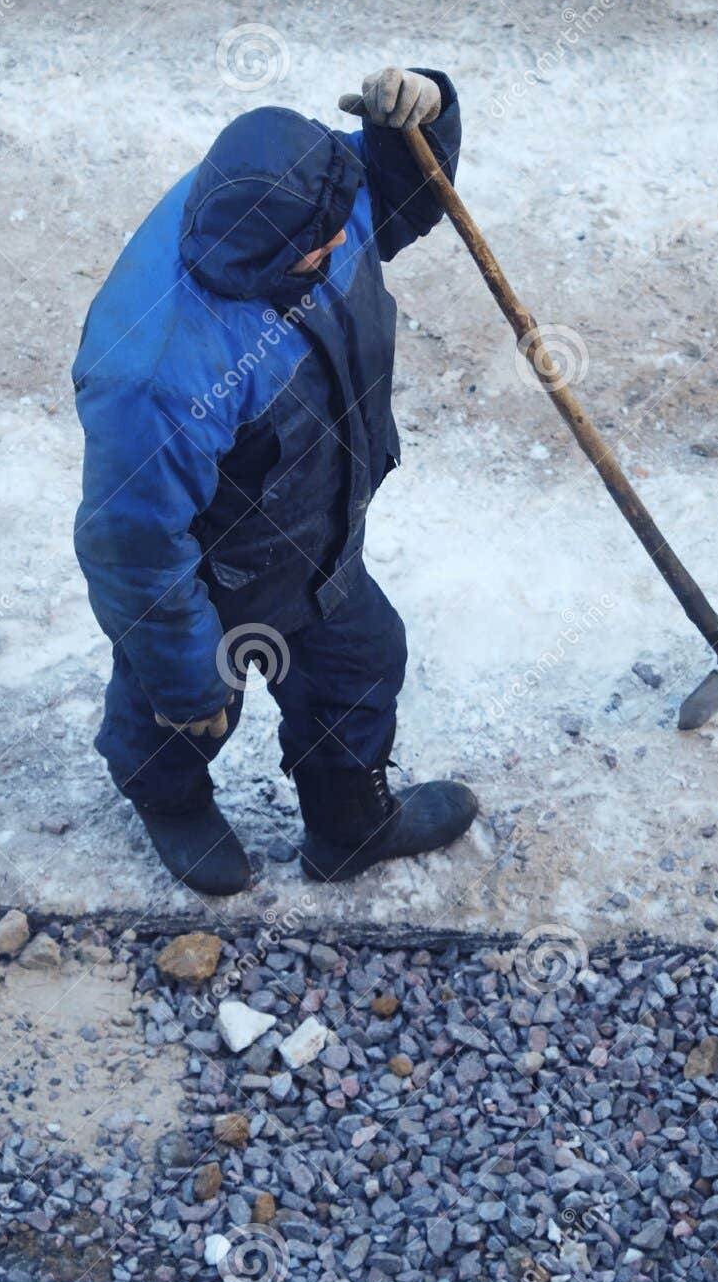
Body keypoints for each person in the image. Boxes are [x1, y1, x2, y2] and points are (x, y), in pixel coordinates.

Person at [72, 67, 478, 895]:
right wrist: (185, 683)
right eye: (321, 254)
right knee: (182, 701)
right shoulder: (157, 376)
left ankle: (350, 831)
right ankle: (168, 797)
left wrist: (426, 115)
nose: (339, 254)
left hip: (318, 520)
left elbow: (398, 199)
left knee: (360, 664)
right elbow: (134, 548)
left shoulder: (314, 191)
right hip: (215, 567)